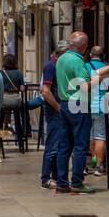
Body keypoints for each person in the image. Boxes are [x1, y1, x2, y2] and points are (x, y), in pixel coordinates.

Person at [55, 32, 109, 195]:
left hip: (64, 103)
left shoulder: (62, 59)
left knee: (64, 146)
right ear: (83, 46)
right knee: (80, 145)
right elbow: (85, 86)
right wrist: (103, 79)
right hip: (79, 104)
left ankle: (61, 183)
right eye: (87, 44)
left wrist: (107, 70)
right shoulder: (77, 60)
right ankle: (76, 182)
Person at [40, 43, 67, 188]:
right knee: (52, 145)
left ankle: (57, 176)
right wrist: (58, 108)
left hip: (60, 111)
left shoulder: (59, 66)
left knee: (60, 145)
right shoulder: (51, 66)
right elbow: (45, 91)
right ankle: (46, 178)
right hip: (55, 112)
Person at [88, 44, 108, 176]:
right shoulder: (108, 68)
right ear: (103, 56)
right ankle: (100, 165)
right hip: (102, 105)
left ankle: (93, 160)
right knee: (100, 135)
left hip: (87, 105)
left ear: (91, 55)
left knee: (90, 134)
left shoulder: (85, 66)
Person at [0, 52, 26, 145]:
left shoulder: (1, 73)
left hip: (4, 101)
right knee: (18, 115)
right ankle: (20, 137)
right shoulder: (19, 73)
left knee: (0, 114)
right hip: (16, 101)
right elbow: (22, 89)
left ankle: (0, 132)